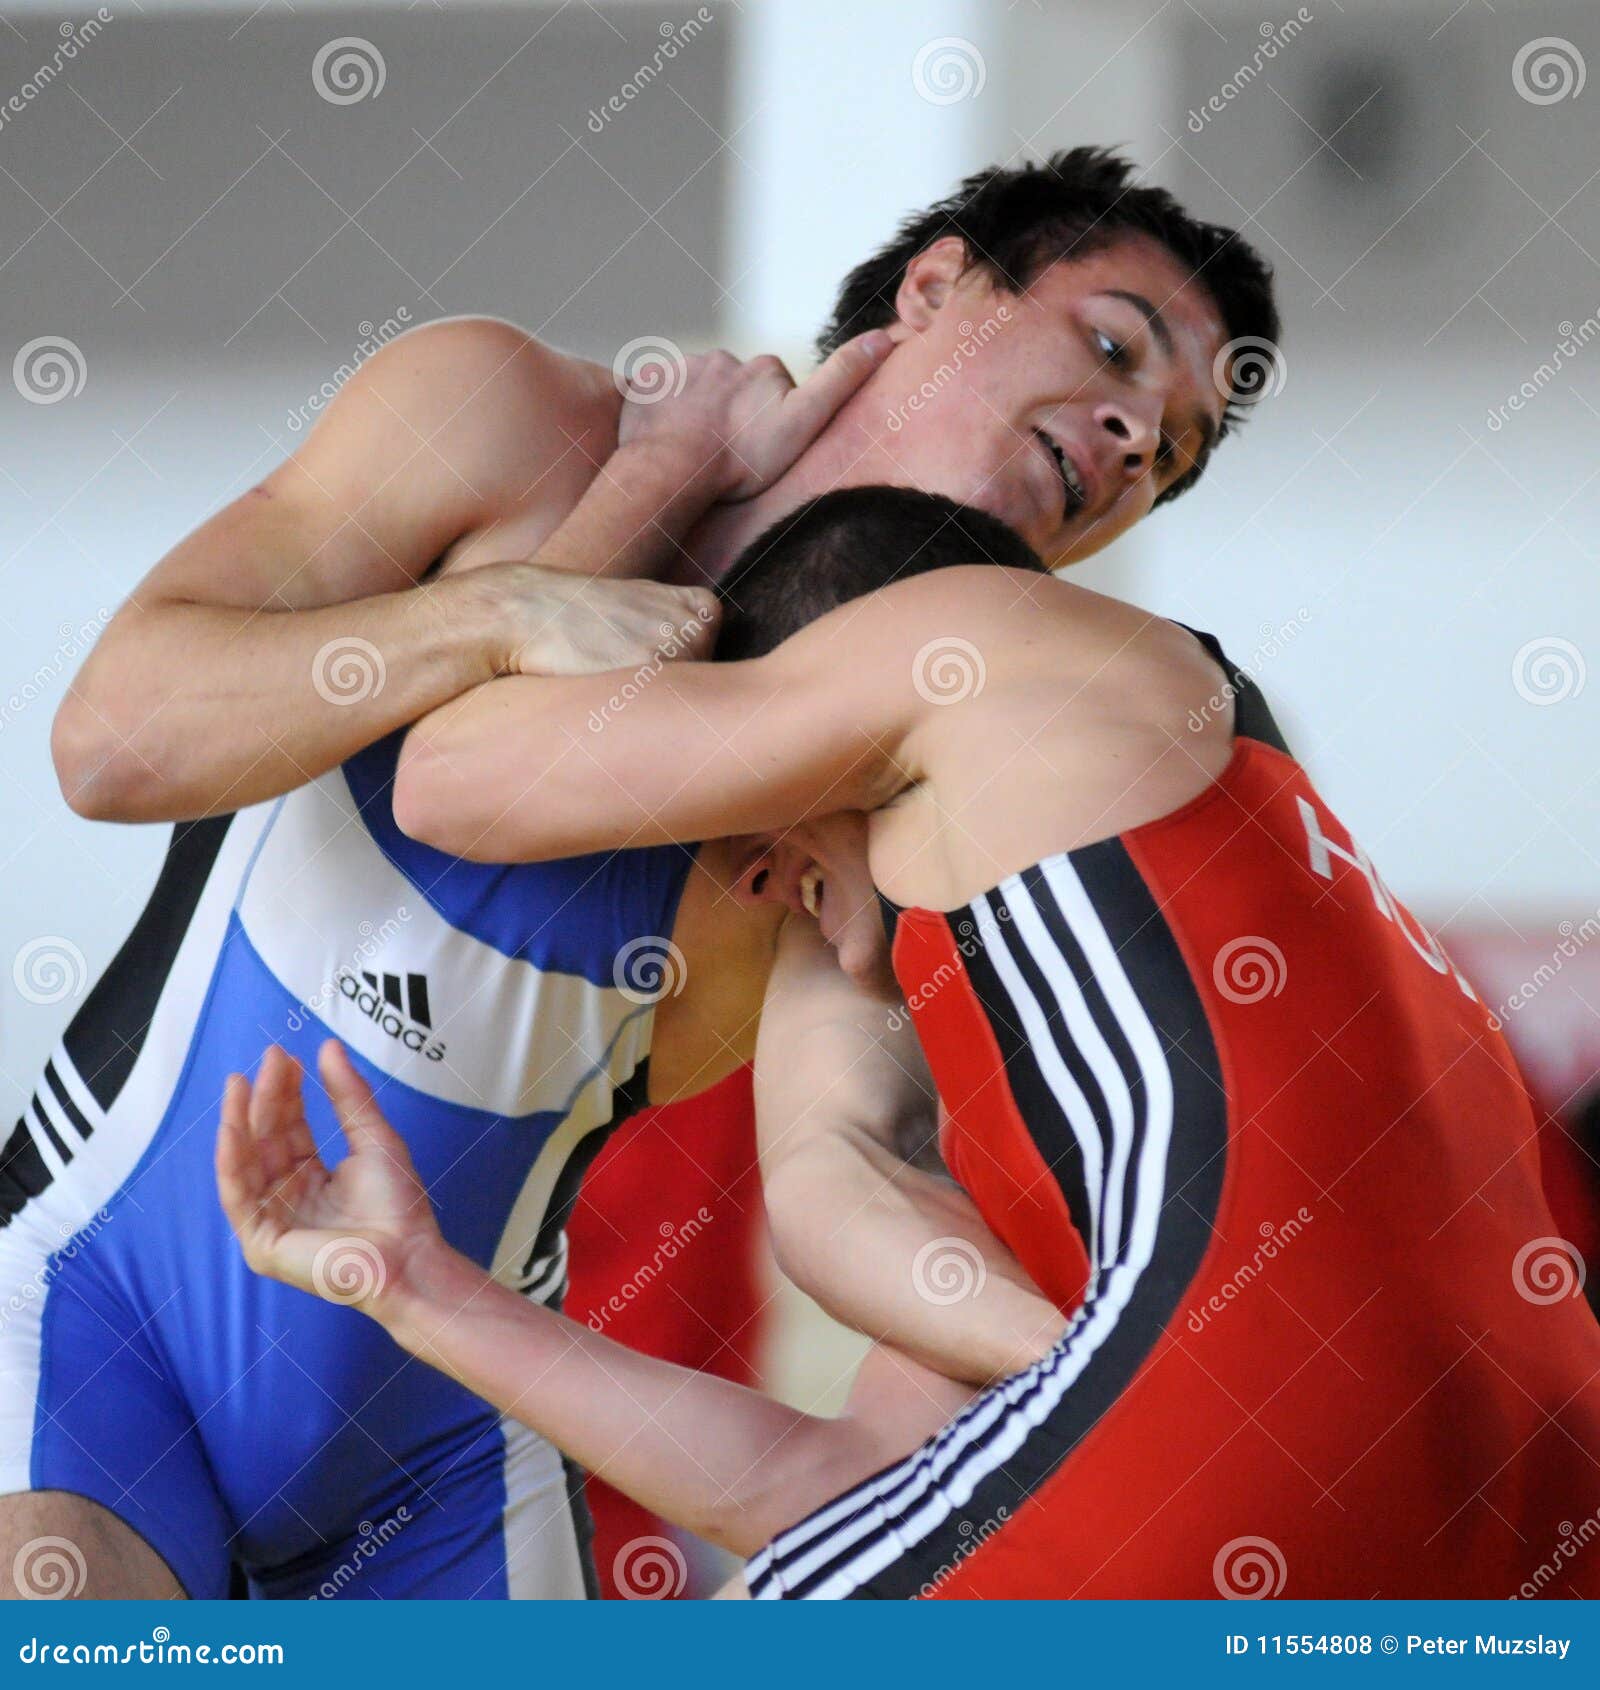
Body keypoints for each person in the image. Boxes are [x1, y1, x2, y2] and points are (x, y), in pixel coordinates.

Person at [11, 148, 1280, 1597]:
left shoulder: (896, 754)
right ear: (936, 289)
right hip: (101, 1308)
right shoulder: (509, 421)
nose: (1130, 437)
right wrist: (520, 592)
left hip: (444, 1435)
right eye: (1114, 348)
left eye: (1167, 453)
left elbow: (838, 1167)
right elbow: (112, 744)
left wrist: (1134, 1357)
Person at [372, 484, 1600, 1598]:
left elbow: (448, 785)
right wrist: (423, 1291)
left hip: (1240, 1443)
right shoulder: (1158, 1004)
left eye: (782, 863)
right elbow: (841, 1479)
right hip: (1547, 1488)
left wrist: (543, 574)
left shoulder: (985, 651)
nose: (809, 923)